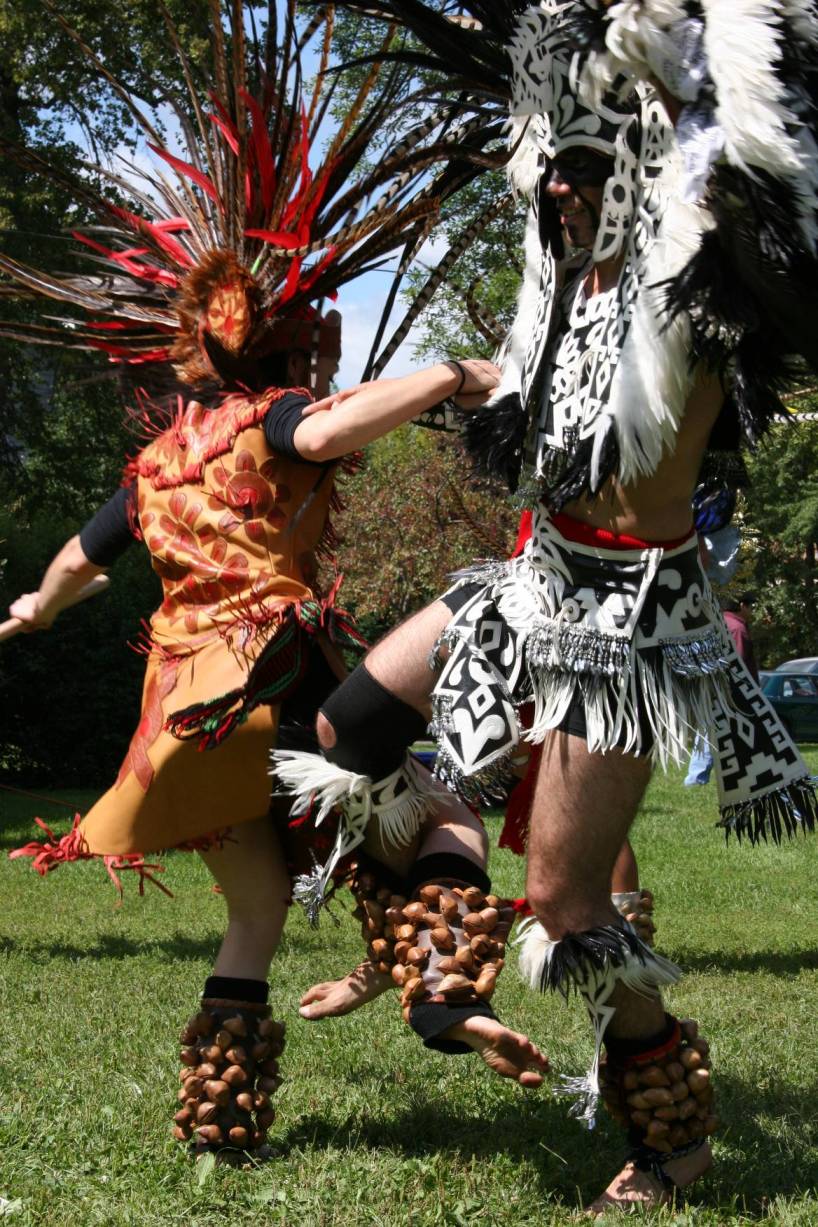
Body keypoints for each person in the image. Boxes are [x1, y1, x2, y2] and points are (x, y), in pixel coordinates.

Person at [272, 1, 818, 1210]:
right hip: (532, 585)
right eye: (550, 174)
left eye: (582, 175)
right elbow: (510, 368)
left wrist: (675, 70)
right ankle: (414, 945)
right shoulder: (560, 298)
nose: (557, 194)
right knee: (346, 736)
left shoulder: (694, 295)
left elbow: (724, 176)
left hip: (626, 629)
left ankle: (673, 1127)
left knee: (571, 904)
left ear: (639, 178)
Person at [2, 3, 548, 1160]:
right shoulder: (276, 418)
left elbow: (71, 564)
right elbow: (330, 432)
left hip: (175, 722)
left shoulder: (152, 465)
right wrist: (456, 373)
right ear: (287, 346)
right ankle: (446, 995)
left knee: (254, 915)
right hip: (273, 686)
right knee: (436, 815)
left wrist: (37, 609)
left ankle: (221, 1125)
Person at [686, 593, 758, 786]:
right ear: (742, 605)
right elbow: (738, 663)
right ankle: (697, 777)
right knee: (717, 731)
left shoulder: (714, 623)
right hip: (731, 690)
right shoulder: (736, 628)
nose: (753, 611)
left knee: (710, 729)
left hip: (712, 686)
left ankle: (698, 776)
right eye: (752, 606)